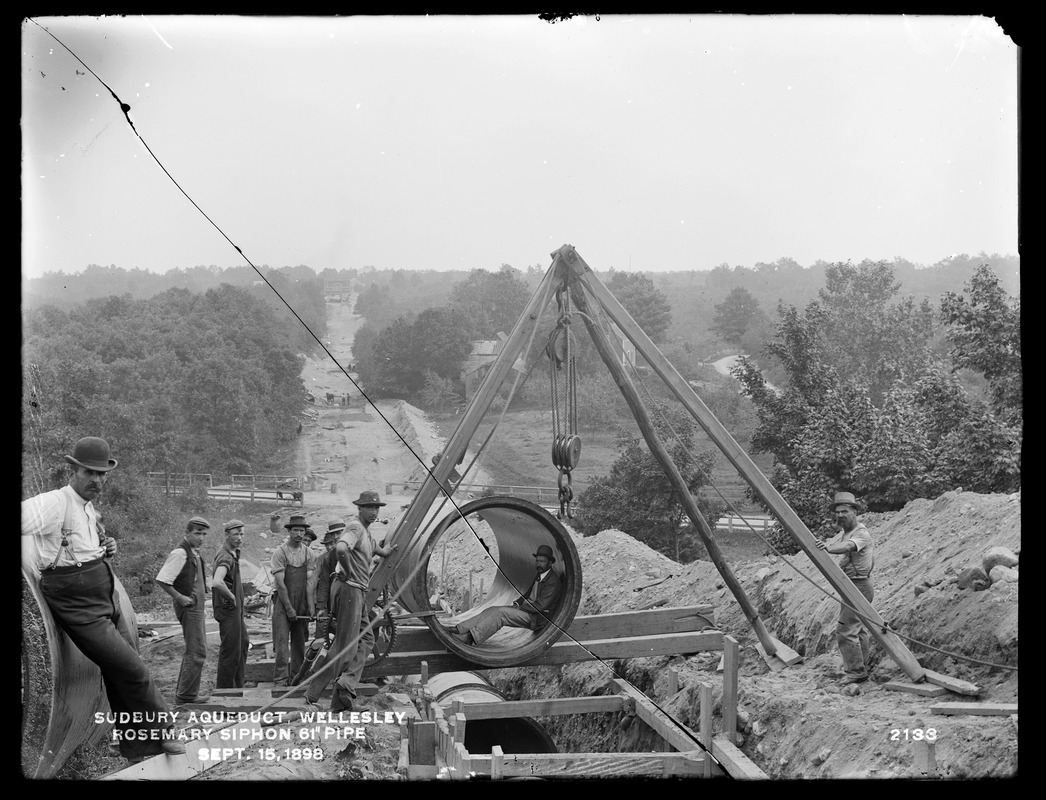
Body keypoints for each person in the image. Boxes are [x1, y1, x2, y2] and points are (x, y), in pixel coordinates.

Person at [21, 436, 185, 761]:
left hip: (104, 594)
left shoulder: (88, 507)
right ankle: (166, 731)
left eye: (101, 474)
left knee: (117, 672)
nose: (96, 480)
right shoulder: (54, 503)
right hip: (78, 605)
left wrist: (105, 545)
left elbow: (80, 543)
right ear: (74, 470)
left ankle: (137, 747)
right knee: (133, 668)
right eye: (89, 473)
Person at [303, 491, 395, 712]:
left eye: (377, 508)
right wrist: (348, 570)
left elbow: (378, 550)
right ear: (359, 509)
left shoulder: (366, 533)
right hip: (349, 590)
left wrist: (389, 550)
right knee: (345, 646)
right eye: (369, 508)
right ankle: (313, 693)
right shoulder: (354, 528)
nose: (374, 512)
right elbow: (342, 548)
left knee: (366, 641)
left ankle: (344, 689)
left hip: (358, 592)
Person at [446, 544, 563, 645]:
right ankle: (459, 629)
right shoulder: (540, 574)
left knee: (501, 614)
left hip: (537, 618)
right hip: (528, 611)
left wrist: (521, 607)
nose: (539, 564)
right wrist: (518, 602)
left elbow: (540, 606)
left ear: (550, 563)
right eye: (537, 561)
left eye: (542, 561)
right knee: (491, 610)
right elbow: (528, 593)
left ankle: (470, 638)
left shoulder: (552, 582)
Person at [815, 491, 875, 684]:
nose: (840, 515)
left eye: (845, 511)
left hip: (859, 585)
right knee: (859, 629)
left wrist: (827, 548)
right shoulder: (847, 532)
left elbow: (849, 547)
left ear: (854, 512)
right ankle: (862, 665)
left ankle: (856, 672)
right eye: (838, 512)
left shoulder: (861, 533)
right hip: (852, 584)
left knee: (845, 629)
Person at [156, 516, 213, 705]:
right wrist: (179, 597)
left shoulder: (194, 552)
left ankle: (187, 693)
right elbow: (163, 579)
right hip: (189, 607)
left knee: (198, 649)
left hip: (196, 606)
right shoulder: (180, 553)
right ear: (187, 533)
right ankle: (186, 697)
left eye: (204, 534)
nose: (201, 538)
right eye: (197, 533)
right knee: (196, 651)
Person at [270, 514, 317, 686]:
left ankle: (297, 677)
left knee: (299, 643)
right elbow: (280, 585)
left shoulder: (309, 553)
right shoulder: (280, 553)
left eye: (301, 530)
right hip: (283, 604)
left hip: (302, 604)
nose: (298, 534)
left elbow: (310, 582)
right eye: (295, 530)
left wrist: (310, 606)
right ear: (289, 531)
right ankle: (281, 679)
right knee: (282, 644)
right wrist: (289, 608)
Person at [211, 519, 249, 689]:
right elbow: (217, 582)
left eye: (241, 533)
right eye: (236, 534)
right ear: (226, 535)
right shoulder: (225, 556)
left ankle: (237, 687)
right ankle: (225, 692)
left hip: (236, 610)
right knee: (231, 652)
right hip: (228, 610)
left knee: (243, 644)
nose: (240, 537)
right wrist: (232, 597)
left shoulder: (234, 552)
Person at [314, 520, 345, 640]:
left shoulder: (355, 551)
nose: (336, 536)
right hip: (333, 602)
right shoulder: (328, 558)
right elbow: (324, 584)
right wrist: (321, 607)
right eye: (333, 534)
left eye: (339, 533)